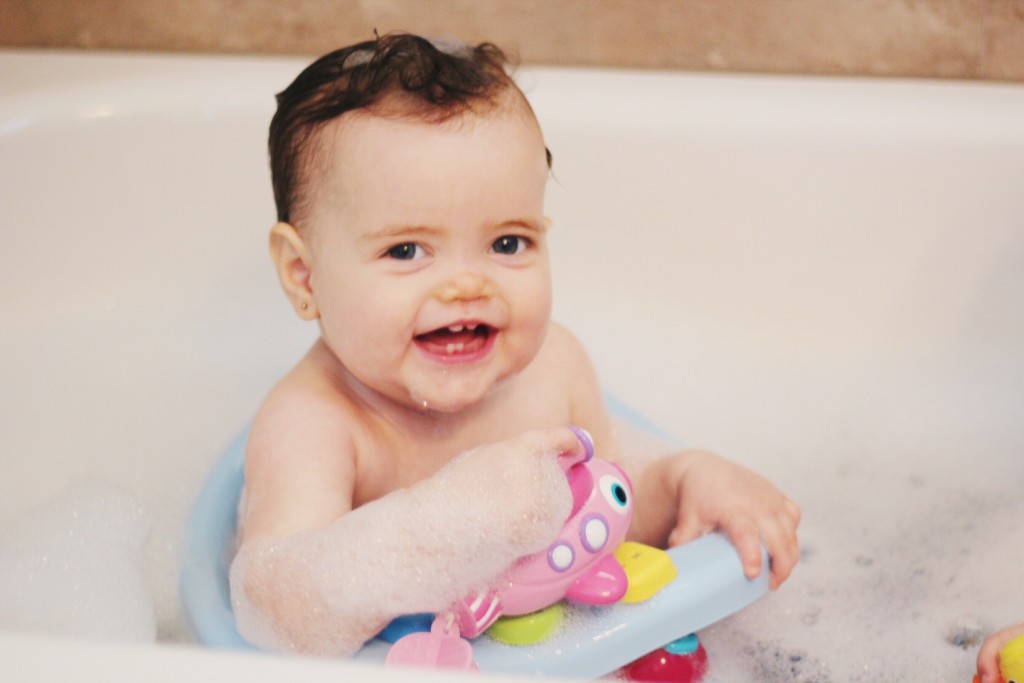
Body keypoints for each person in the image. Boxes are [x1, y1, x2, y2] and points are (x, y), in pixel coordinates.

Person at [228, 32, 801, 657]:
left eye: (507, 243)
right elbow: (279, 607)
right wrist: (445, 526)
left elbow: (618, 501)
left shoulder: (552, 367)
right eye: (406, 249)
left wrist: (688, 478)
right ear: (304, 276)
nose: (468, 284)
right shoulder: (316, 423)